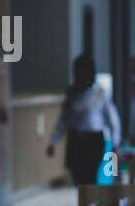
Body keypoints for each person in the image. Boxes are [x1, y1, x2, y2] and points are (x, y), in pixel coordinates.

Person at [47, 53, 122, 185]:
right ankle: (83, 203)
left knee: (89, 177)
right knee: (77, 177)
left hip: (93, 141)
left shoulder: (100, 93)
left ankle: (89, 204)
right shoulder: (71, 94)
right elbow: (63, 120)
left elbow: (113, 120)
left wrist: (115, 143)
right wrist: (53, 141)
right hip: (75, 140)